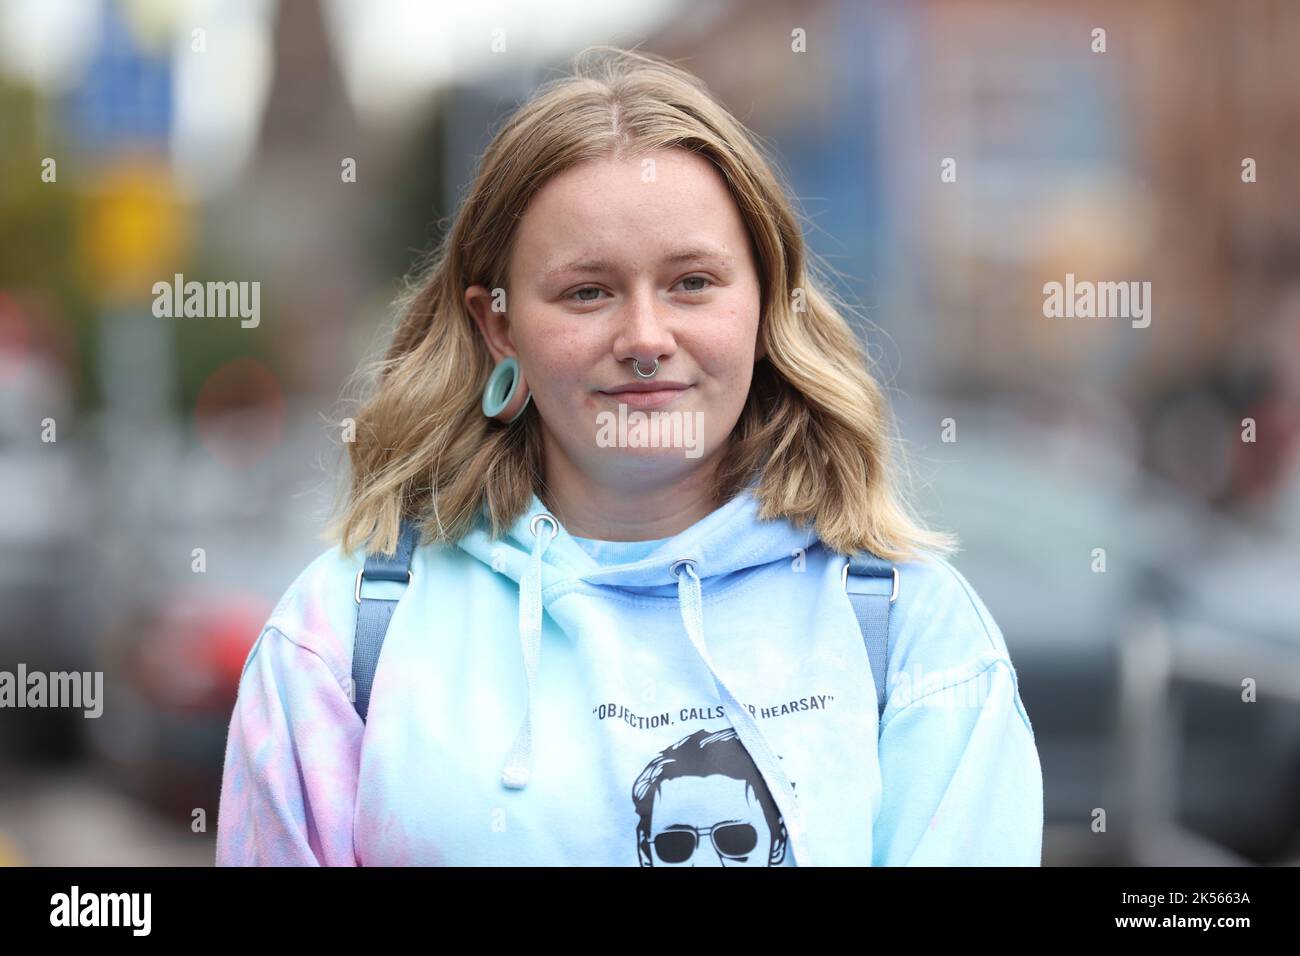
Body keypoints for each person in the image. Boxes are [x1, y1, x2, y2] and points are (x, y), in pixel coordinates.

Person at [215, 46, 1042, 866]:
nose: (646, 339)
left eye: (692, 283)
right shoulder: (343, 637)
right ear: (498, 323)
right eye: (588, 291)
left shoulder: (913, 634)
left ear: (766, 304)